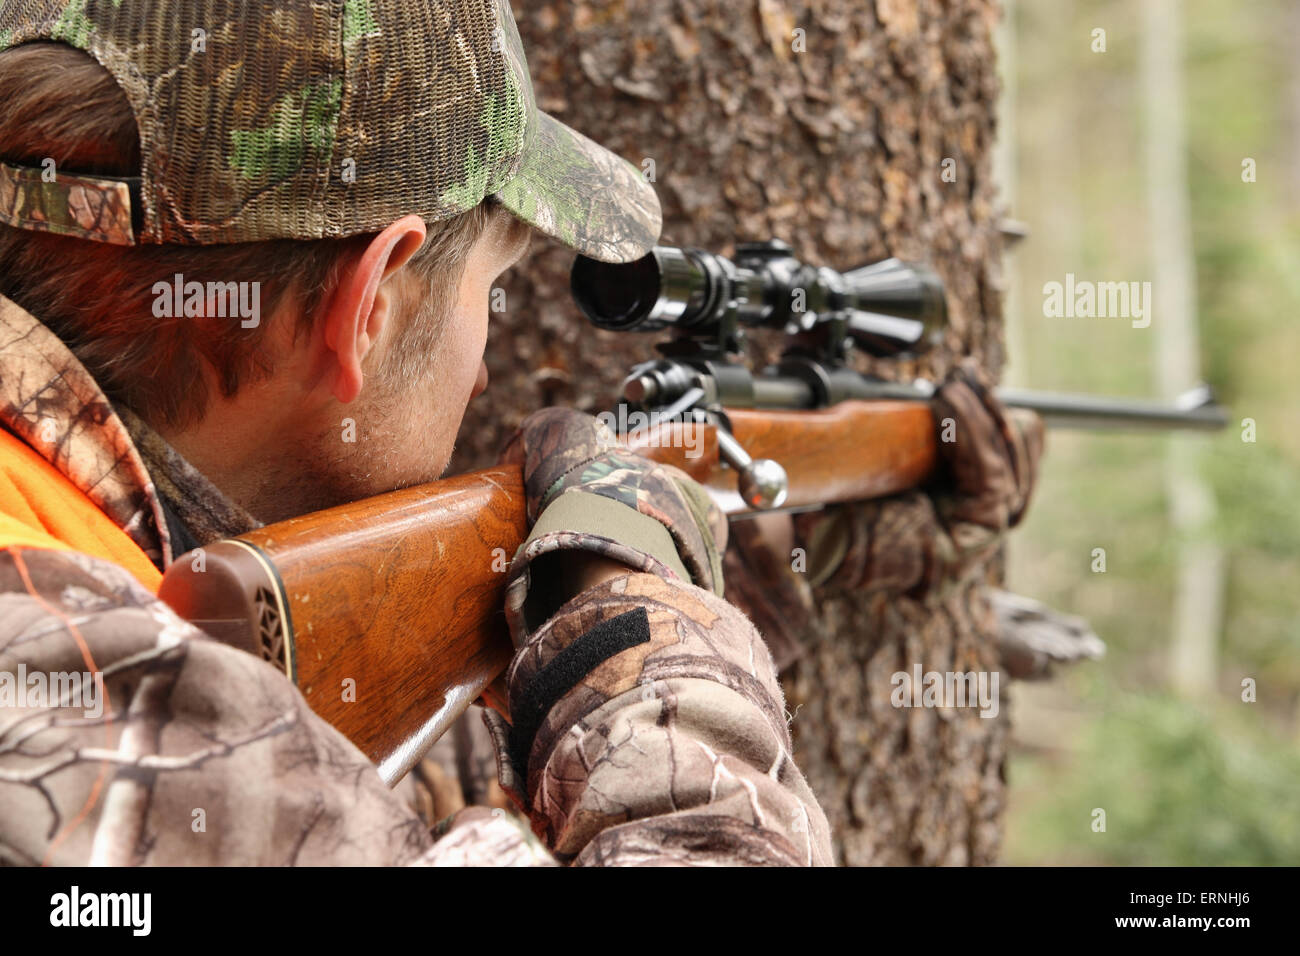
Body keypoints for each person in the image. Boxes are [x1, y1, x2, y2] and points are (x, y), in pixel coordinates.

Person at [0, 0, 834, 866]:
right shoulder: (77, 695)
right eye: (488, 284)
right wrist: (656, 654)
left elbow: (316, 775)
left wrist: (603, 610)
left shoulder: (71, 574)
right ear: (371, 303)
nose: (480, 374)